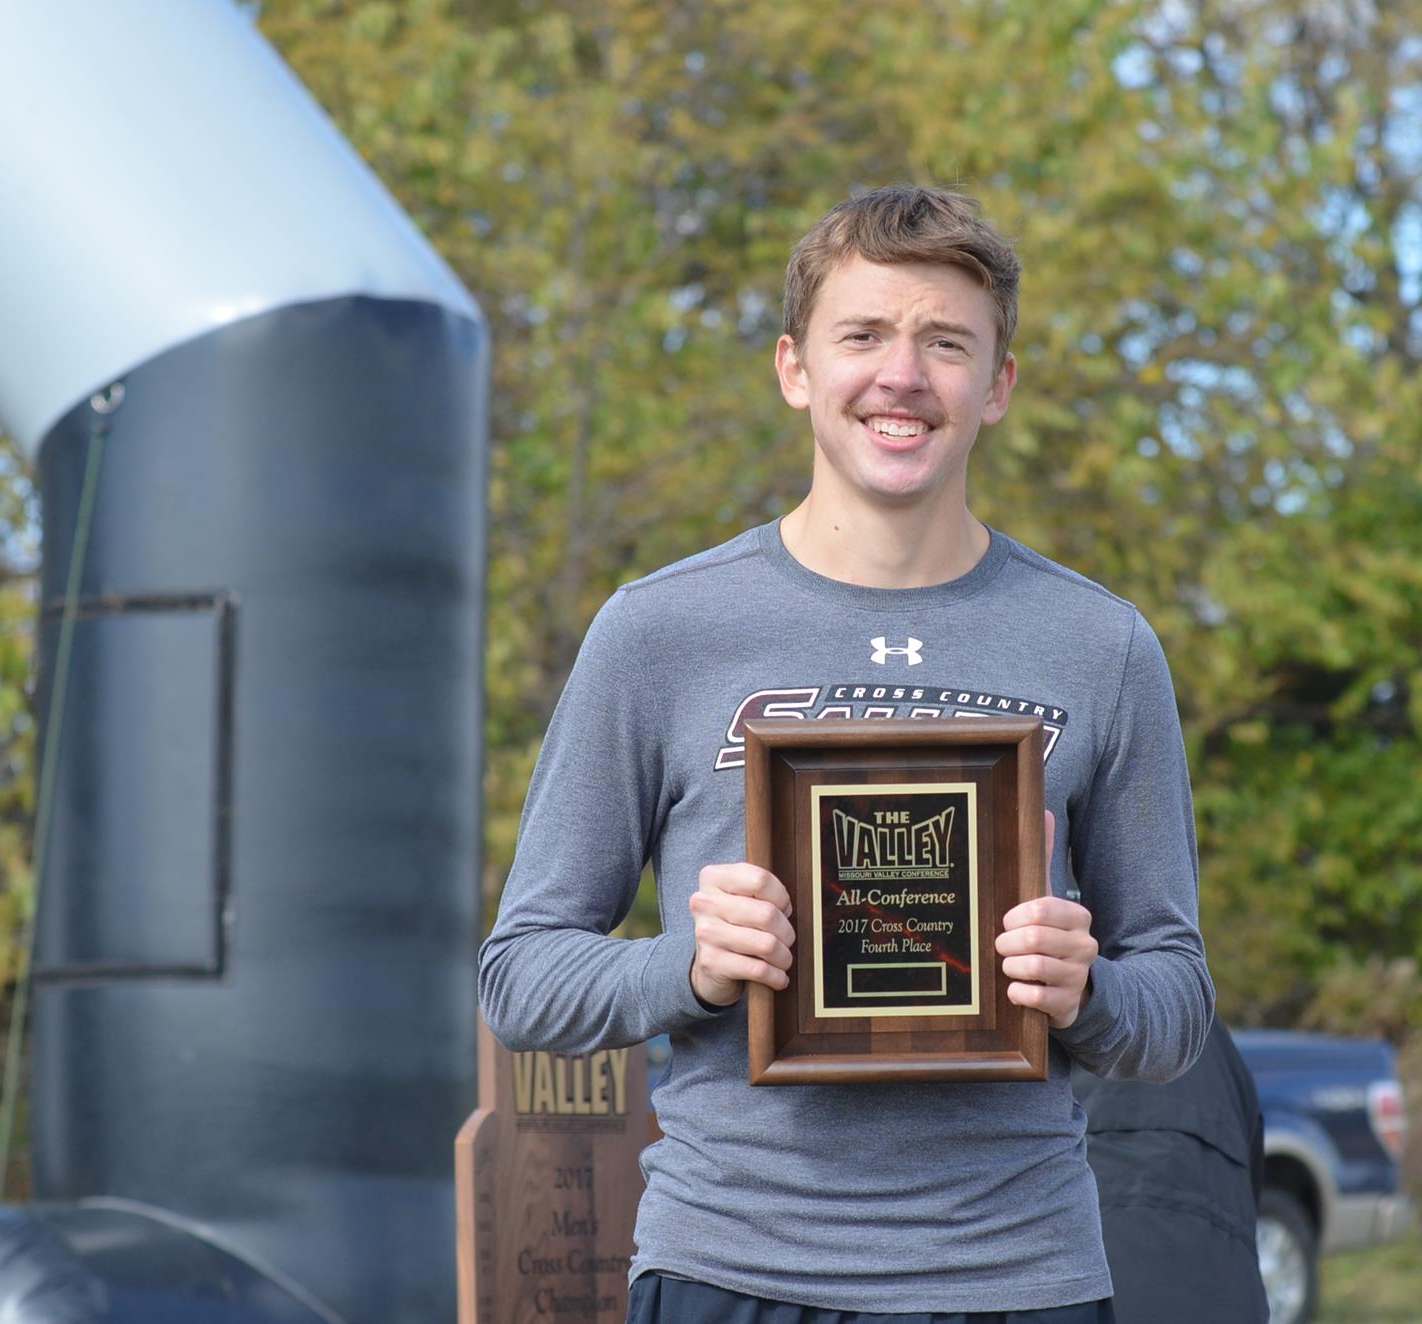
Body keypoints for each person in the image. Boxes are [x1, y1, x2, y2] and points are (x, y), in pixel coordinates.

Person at [478, 184, 1213, 1322]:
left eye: (946, 343)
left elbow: (1176, 1002)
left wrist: (1088, 992)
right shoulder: (658, 631)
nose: (902, 377)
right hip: (731, 1272)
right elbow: (519, 977)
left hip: (1019, 1279)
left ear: (998, 386)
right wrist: (688, 965)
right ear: (794, 369)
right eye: (862, 335)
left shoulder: (1101, 646)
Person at [1072, 1021, 1271, 1324]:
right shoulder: (1208, 1033)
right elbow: (1250, 1178)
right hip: (1220, 1285)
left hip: (1083, 1284)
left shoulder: (1034, 1032)